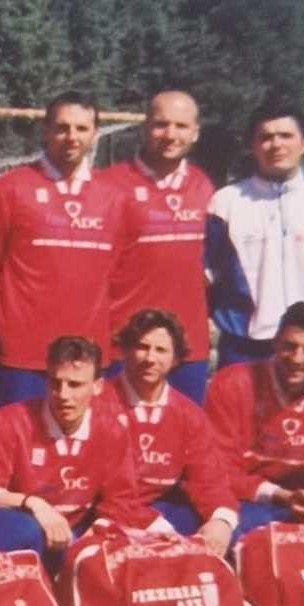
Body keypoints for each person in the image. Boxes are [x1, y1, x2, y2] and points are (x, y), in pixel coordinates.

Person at [0, 91, 128, 409]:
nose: (71, 137)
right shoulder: (11, 188)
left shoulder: (114, 197)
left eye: (81, 128)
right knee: (15, 446)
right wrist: (11, 320)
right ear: (45, 131)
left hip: (87, 354)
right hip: (23, 353)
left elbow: (116, 273)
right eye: (62, 127)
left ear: (95, 134)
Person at [0, 335, 162, 574]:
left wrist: (93, 539)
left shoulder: (111, 430)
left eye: (75, 385)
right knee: (24, 530)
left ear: (97, 386)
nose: (63, 395)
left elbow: (120, 500)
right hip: (26, 526)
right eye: (56, 382)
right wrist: (34, 505)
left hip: (78, 531)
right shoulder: (11, 421)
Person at [205, 99, 304, 371]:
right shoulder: (225, 204)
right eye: (266, 137)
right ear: (253, 146)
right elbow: (209, 277)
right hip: (245, 350)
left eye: (286, 135)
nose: (276, 144)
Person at [205, 302, 304, 541]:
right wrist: (280, 495)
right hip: (246, 500)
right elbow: (218, 469)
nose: (297, 358)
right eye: (289, 346)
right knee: (249, 542)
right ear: (275, 342)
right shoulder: (231, 384)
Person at [100, 90, 215, 405]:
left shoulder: (205, 186)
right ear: (145, 126)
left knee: (179, 440)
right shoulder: (108, 185)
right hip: (124, 343)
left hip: (187, 347)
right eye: (161, 124)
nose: (171, 135)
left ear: (195, 132)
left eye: (181, 126)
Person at [107, 309, 240, 558]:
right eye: (142, 347)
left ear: (176, 359)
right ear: (125, 350)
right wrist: (158, 529)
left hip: (156, 509)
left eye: (161, 350)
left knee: (222, 532)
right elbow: (101, 490)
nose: (150, 358)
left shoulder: (187, 414)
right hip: (104, 515)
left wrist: (221, 521)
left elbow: (210, 480)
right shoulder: (99, 402)